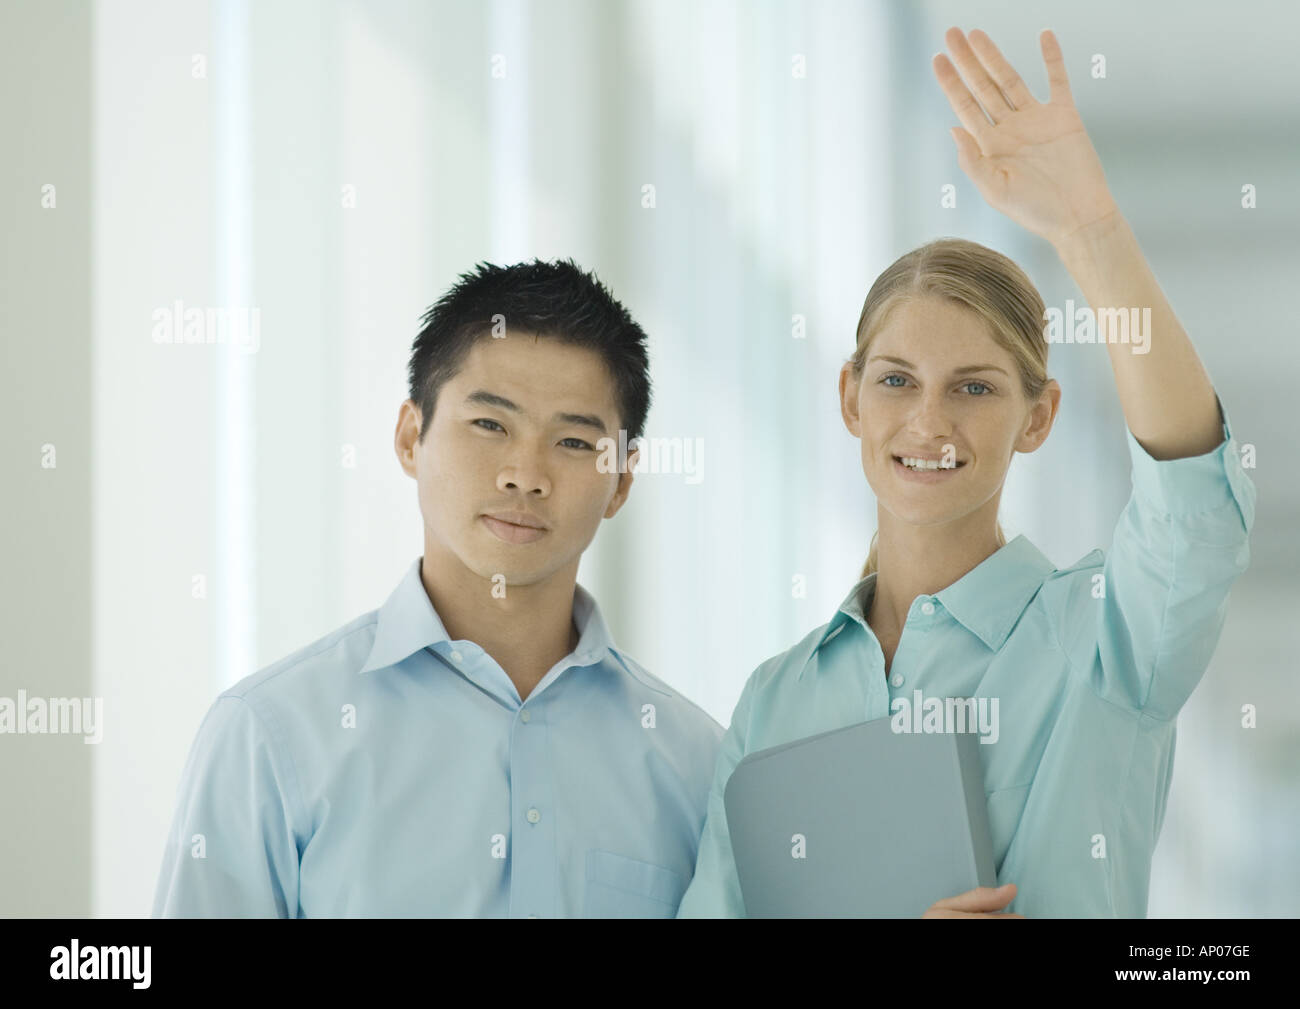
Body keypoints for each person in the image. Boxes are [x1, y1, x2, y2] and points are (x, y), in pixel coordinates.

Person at [676, 27, 1255, 918]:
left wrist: (1092, 232)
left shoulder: (1105, 638)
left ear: (1039, 417)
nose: (929, 422)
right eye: (897, 380)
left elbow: (1191, 499)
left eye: (974, 387)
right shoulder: (777, 699)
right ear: (850, 399)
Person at [153, 258, 723, 917]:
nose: (525, 474)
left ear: (621, 481)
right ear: (409, 436)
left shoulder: (696, 765)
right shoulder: (269, 736)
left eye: (572, 440)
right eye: (490, 424)